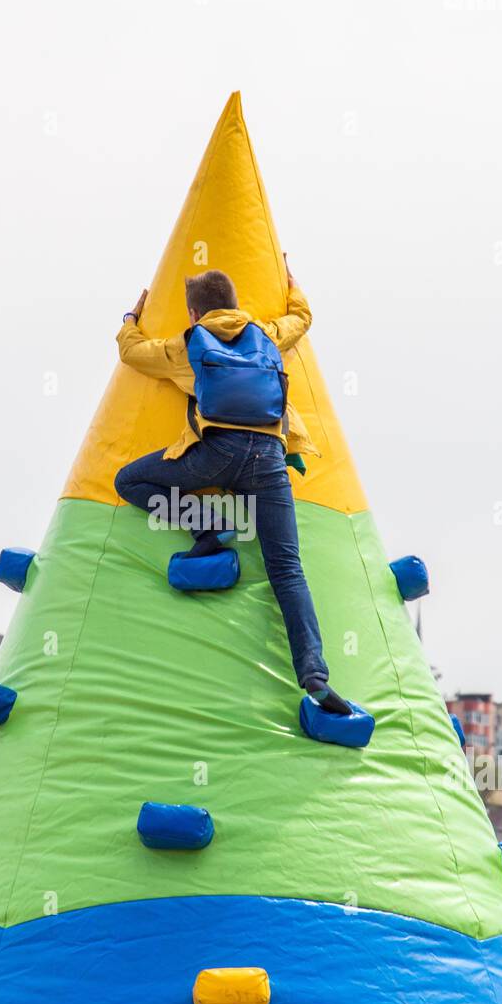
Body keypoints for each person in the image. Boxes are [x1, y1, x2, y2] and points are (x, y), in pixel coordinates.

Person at [114, 258, 351, 714]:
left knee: (131, 480)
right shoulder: (265, 335)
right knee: (287, 569)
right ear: (236, 304)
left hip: (215, 455)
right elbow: (301, 319)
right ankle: (315, 675)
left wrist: (131, 318)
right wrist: (292, 284)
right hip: (269, 459)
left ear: (193, 313)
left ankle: (208, 524)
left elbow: (132, 352)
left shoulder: (189, 344)